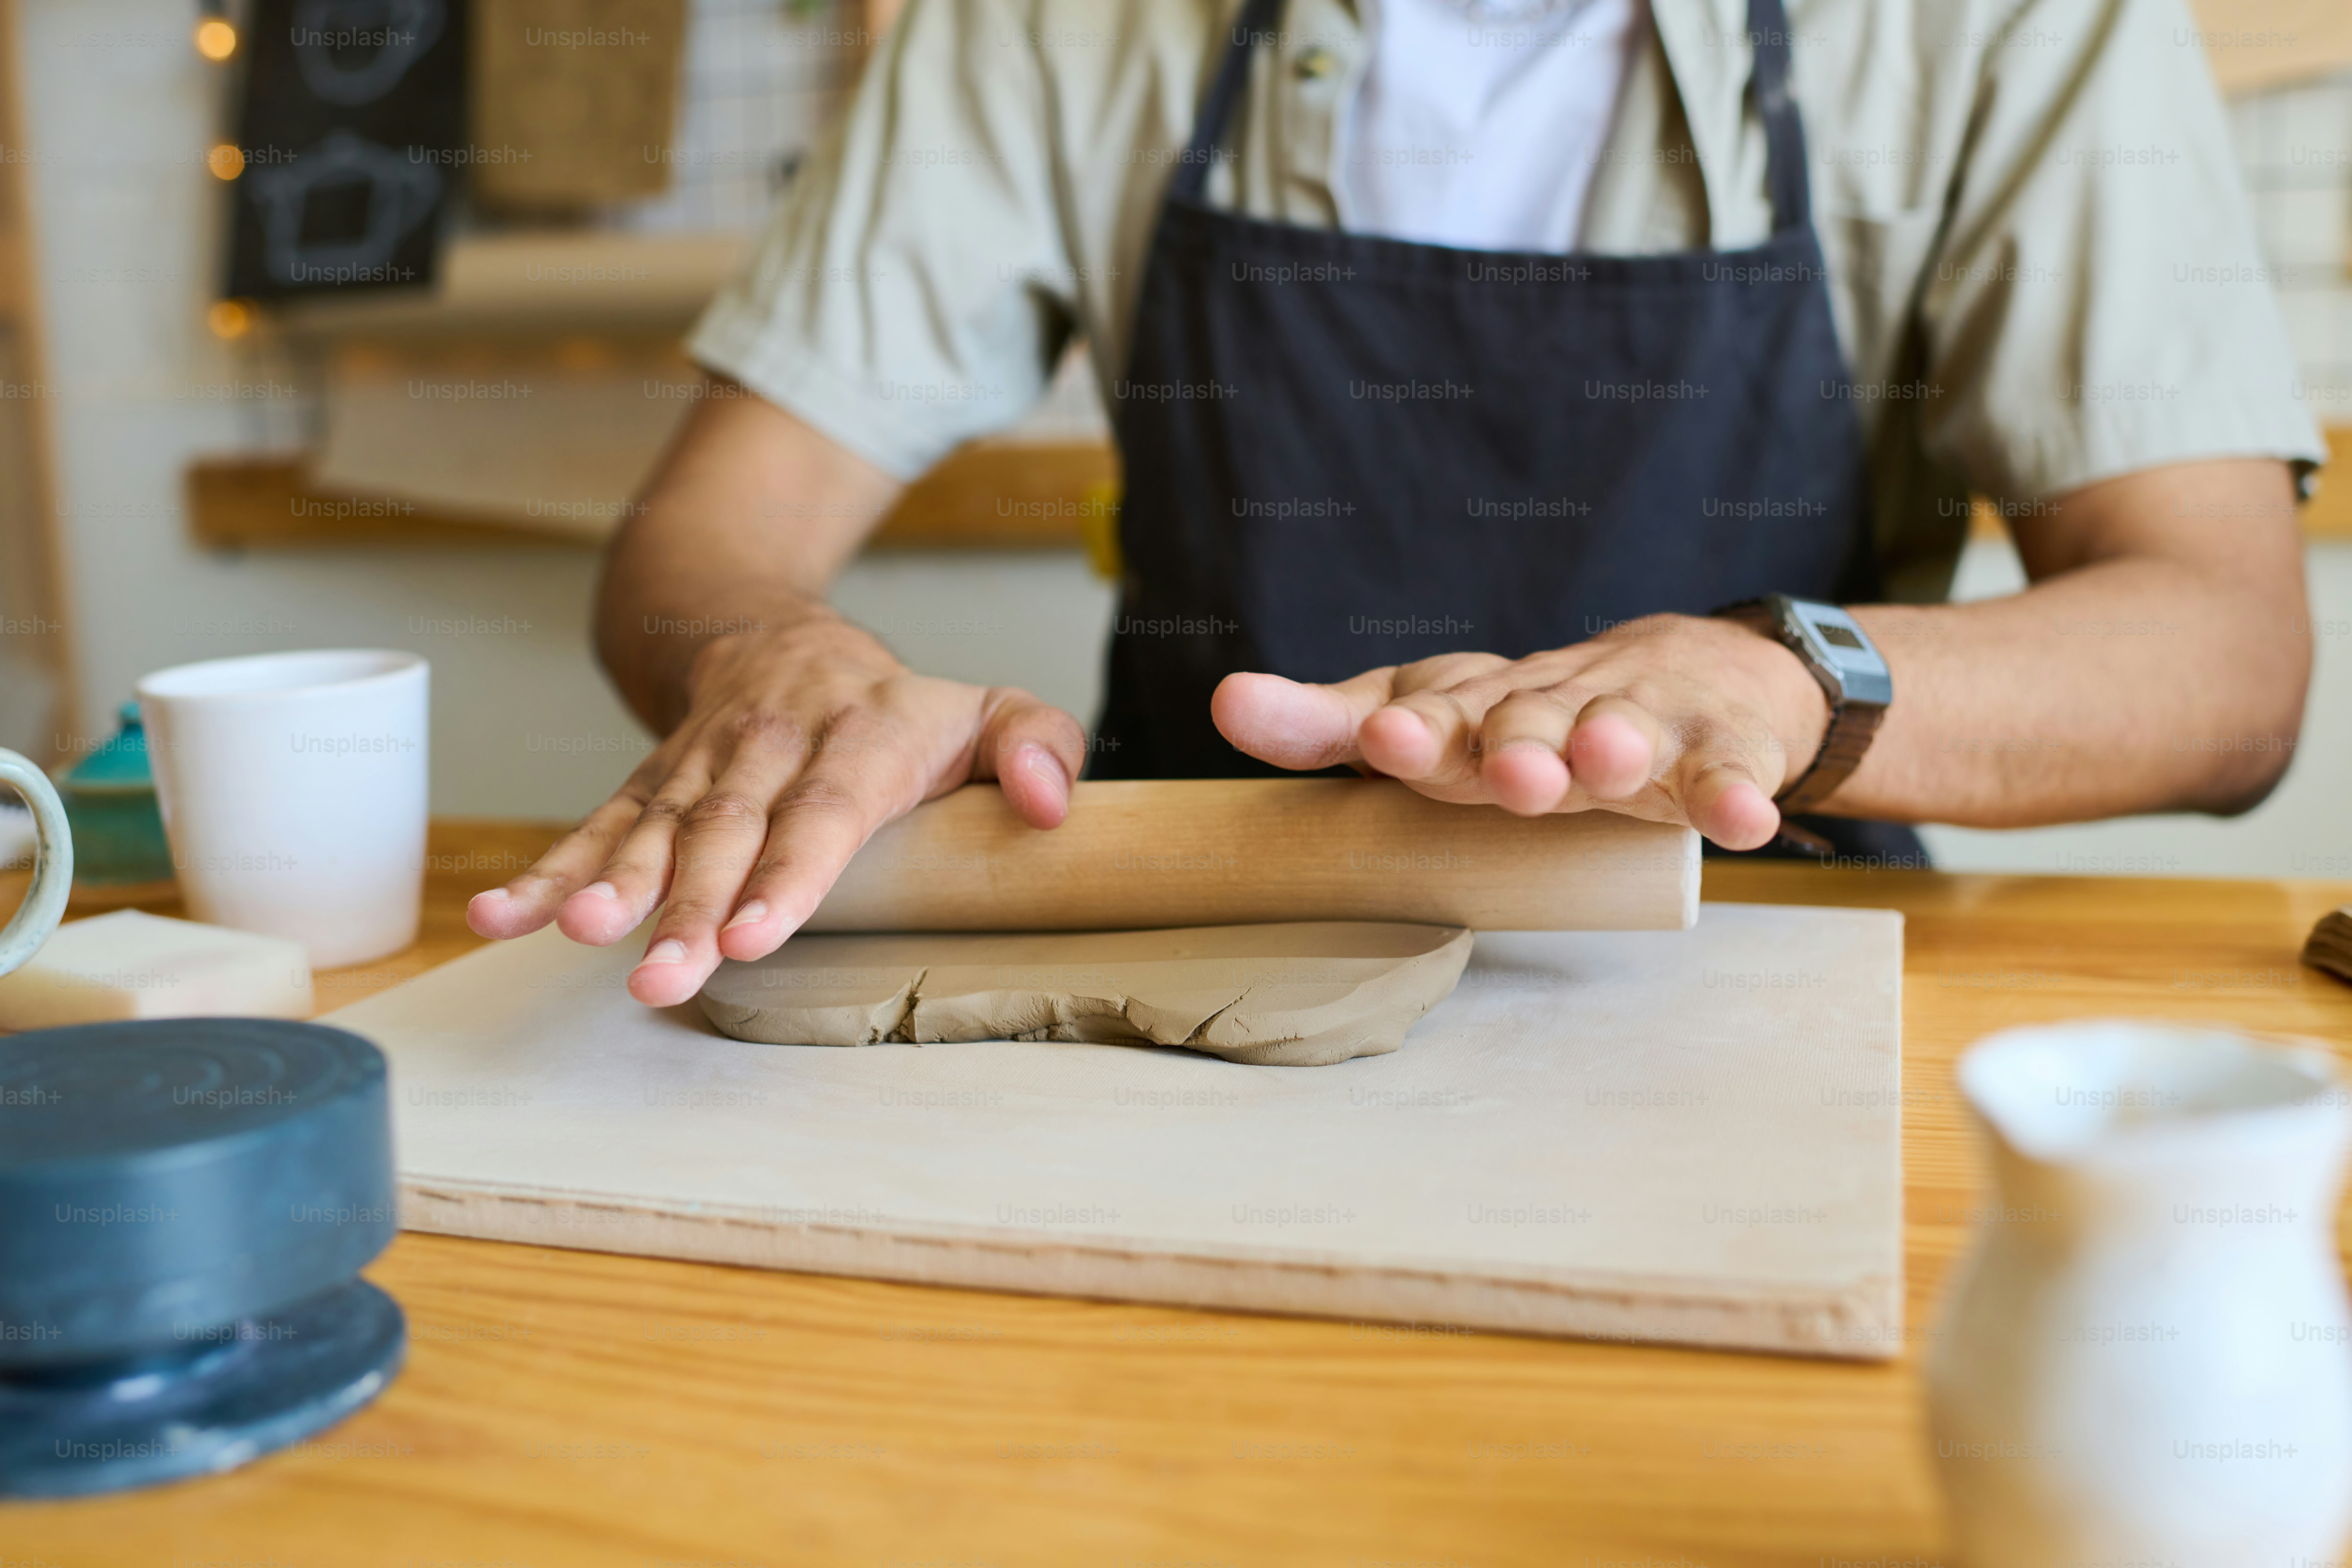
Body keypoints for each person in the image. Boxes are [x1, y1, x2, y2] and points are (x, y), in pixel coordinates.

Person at [468, 0, 2324, 1009]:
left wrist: (1776, 682)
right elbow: (701, 547)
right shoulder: (1049, 23)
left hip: (1766, 974)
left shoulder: (2008, 24)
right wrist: (779, 660)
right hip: (1171, 975)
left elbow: (2225, 655)